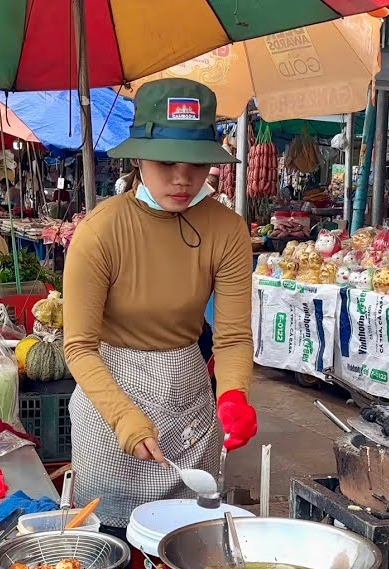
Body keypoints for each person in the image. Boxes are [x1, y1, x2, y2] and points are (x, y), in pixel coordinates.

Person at [62, 78, 259, 535]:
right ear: (137, 158)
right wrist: (124, 417)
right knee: (111, 537)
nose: (182, 178)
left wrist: (232, 394)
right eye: (166, 161)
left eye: (197, 163)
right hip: (109, 390)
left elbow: (230, 337)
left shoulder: (226, 229)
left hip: (187, 391)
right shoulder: (102, 230)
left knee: (190, 537)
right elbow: (79, 347)